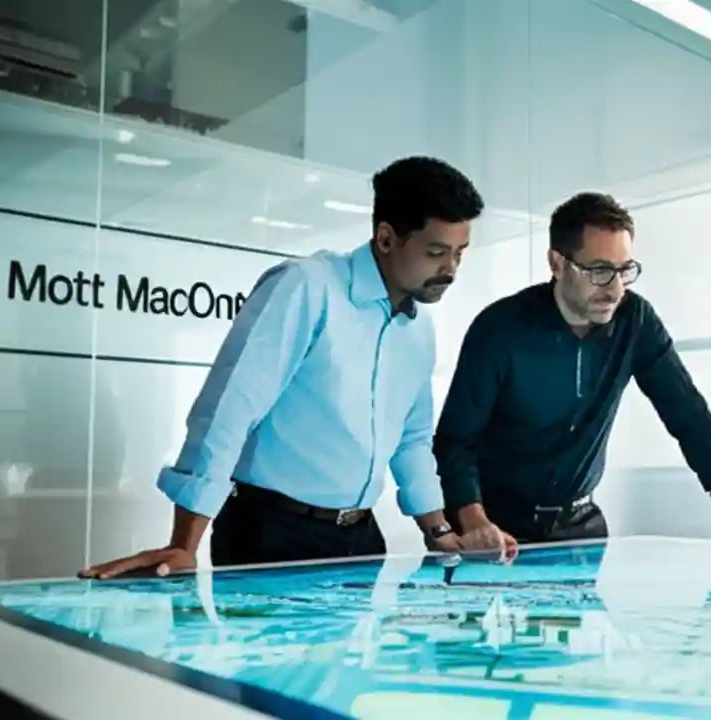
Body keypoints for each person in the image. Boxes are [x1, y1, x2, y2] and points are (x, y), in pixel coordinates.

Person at [80, 156, 507, 580]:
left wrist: (439, 532)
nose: (450, 269)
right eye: (436, 252)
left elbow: (411, 441)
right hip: (269, 534)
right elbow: (229, 410)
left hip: (360, 539)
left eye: (459, 254)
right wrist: (183, 545)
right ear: (386, 238)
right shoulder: (306, 288)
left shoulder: (418, 329)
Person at [432, 191, 711, 548]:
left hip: (581, 529)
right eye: (599, 271)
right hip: (496, 528)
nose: (615, 288)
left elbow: (689, 417)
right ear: (557, 263)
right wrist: (474, 523)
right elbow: (456, 441)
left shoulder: (635, 320)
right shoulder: (500, 329)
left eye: (624, 271)